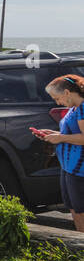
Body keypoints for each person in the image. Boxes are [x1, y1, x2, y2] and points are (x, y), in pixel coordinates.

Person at [37, 74, 84, 231]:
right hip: (68, 166)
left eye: (57, 98)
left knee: (80, 210)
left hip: (79, 168)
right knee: (73, 207)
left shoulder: (83, 108)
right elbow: (69, 133)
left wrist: (60, 138)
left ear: (66, 93)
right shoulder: (74, 108)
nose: (58, 103)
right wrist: (50, 134)